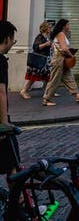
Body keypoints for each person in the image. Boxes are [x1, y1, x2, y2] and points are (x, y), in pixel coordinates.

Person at [42, 19, 79, 106]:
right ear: (63, 26)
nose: (69, 26)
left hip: (62, 59)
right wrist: (71, 55)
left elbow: (55, 47)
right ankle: (46, 99)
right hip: (59, 59)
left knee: (69, 78)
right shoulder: (60, 34)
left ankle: (77, 96)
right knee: (54, 79)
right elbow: (64, 48)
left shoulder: (61, 34)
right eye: (68, 25)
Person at [0, 20, 19, 178]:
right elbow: (1, 93)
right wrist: (5, 124)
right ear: (7, 38)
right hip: (0, 121)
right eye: (13, 39)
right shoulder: (0, 61)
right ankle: (15, 201)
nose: (13, 43)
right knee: (13, 165)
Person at [20, 20, 52, 99]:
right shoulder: (40, 37)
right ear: (45, 28)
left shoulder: (46, 37)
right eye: (49, 27)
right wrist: (46, 44)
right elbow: (36, 47)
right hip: (38, 61)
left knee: (47, 77)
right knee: (32, 78)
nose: (51, 29)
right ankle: (24, 91)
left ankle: (48, 92)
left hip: (44, 60)